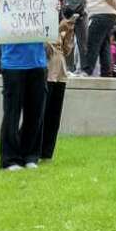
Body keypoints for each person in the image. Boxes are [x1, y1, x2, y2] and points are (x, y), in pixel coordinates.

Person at [0, 0, 49, 169]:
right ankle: (9, 158)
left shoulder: (44, 0)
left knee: (35, 112)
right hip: (14, 63)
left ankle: (30, 155)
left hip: (38, 62)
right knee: (12, 112)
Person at [40, 9, 75, 162]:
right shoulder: (39, 24)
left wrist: (68, 33)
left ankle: (47, 153)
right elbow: (44, 49)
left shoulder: (59, 25)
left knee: (54, 115)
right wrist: (57, 29)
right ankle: (34, 150)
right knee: (41, 114)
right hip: (46, 72)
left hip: (60, 74)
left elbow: (66, 50)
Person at [80, 0, 116, 77]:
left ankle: (87, 70)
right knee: (104, 45)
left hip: (100, 16)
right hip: (106, 16)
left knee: (92, 43)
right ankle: (106, 71)